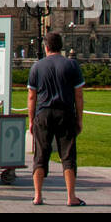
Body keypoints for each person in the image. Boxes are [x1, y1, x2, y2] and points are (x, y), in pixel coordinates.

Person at [28, 32, 85, 207]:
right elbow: (79, 95)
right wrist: (79, 119)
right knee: (68, 156)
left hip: (43, 114)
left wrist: (31, 120)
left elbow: (31, 97)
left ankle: (37, 196)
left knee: (40, 155)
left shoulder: (37, 67)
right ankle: (71, 196)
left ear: (46, 47)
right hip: (65, 113)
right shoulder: (71, 65)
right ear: (61, 46)